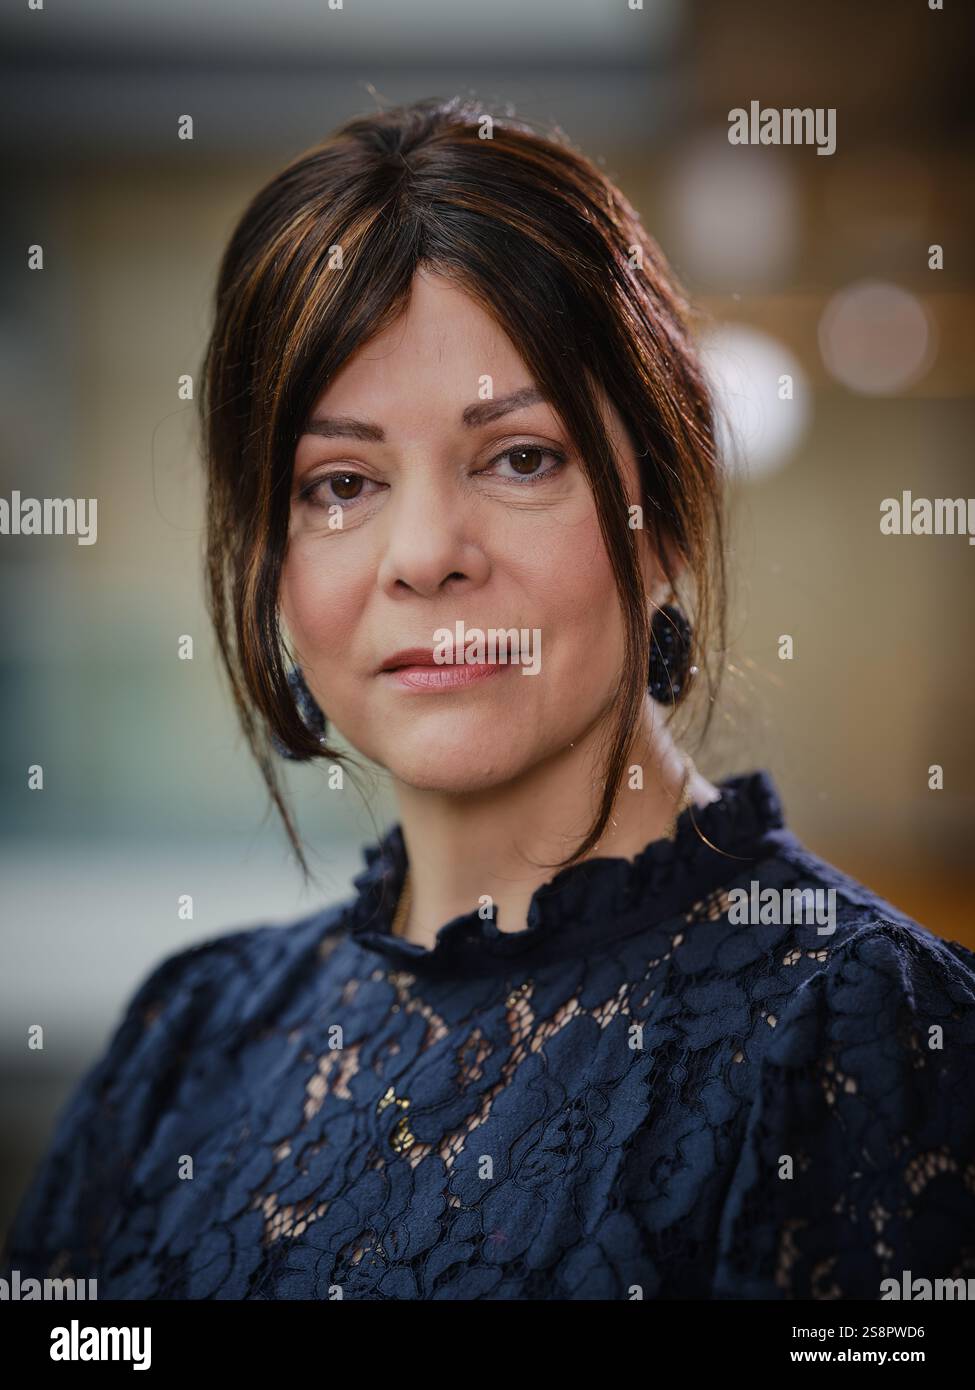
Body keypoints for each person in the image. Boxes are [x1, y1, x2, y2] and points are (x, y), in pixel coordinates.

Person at [3, 97, 974, 1301]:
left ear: (664, 509)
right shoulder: (187, 1038)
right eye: (340, 482)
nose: (423, 553)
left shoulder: (868, 1029)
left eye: (521, 457)